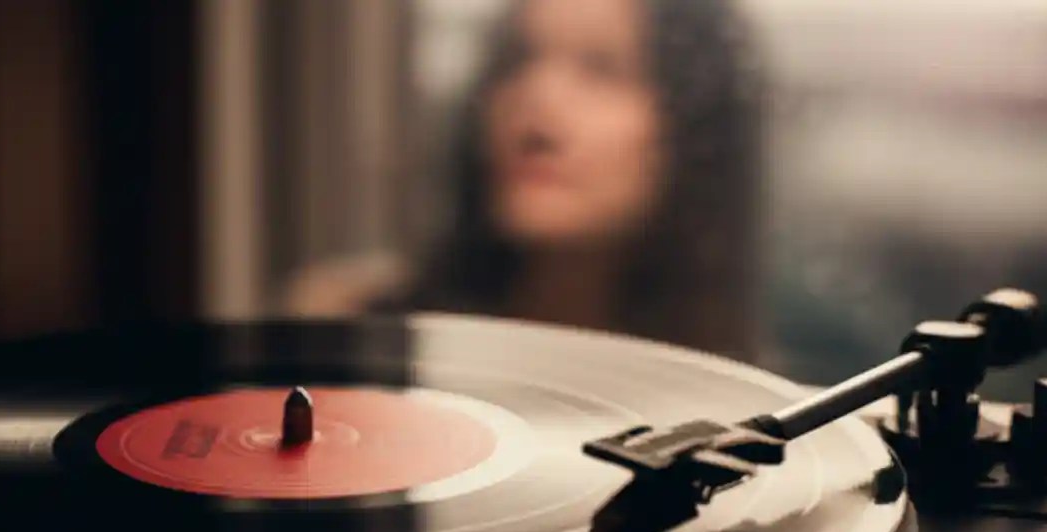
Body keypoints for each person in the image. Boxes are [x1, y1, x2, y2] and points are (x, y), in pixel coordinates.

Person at [287, 0, 762, 360]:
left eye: (602, 68)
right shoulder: (341, 324)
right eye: (516, 60)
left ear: (695, 124)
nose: (538, 96)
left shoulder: (750, 411)